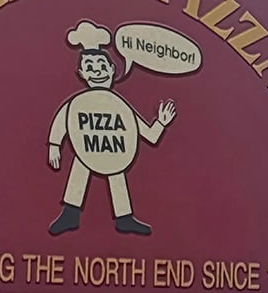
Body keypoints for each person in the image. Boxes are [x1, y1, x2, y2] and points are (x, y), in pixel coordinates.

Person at [47, 23, 176, 236]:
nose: (96, 70)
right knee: (81, 164)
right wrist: (54, 146)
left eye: (100, 65)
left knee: (117, 171)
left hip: (115, 151)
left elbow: (150, 136)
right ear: (81, 73)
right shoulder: (78, 103)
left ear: (111, 69)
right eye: (89, 67)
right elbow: (63, 120)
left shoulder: (120, 106)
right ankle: (70, 214)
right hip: (85, 146)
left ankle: (124, 218)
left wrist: (161, 122)